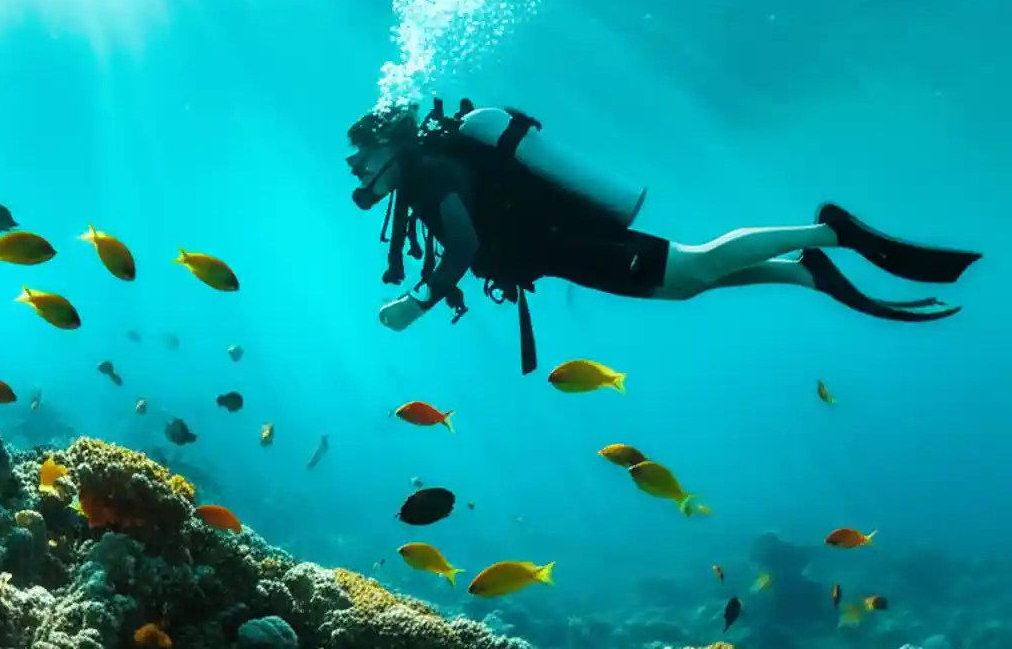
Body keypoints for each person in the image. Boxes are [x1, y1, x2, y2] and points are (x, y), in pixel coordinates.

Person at [344, 98, 982, 374]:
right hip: (564, 248)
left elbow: (464, 247)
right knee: (685, 287)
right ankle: (804, 268)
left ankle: (829, 232)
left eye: (357, 160)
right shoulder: (430, 172)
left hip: (570, 243)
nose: (357, 174)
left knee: (696, 265)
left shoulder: (429, 174)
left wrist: (419, 301)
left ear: (384, 148)